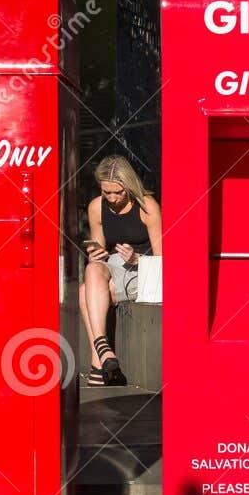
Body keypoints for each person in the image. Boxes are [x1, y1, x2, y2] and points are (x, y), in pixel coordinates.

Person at [78, 155, 163, 386]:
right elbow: (99, 252)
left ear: (129, 185)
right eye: (107, 192)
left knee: (85, 292)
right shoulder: (97, 207)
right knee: (93, 269)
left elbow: (162, 259)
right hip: (113, 266)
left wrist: (136, 259)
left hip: (142, 270)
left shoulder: (147, 207)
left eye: (118, 192)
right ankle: (105, 352)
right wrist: (96, 254)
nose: (113, 198)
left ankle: (98, 362)